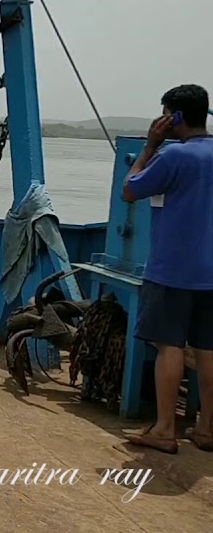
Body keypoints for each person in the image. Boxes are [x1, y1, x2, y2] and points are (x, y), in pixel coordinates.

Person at [120, 83, 213, 454]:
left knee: (169, 346)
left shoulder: (174, 158)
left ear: (173, 117)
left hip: (173, 269)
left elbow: (130, 190)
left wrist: (149, 147)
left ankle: (163, 429)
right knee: (209, 349)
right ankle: (207, 428)